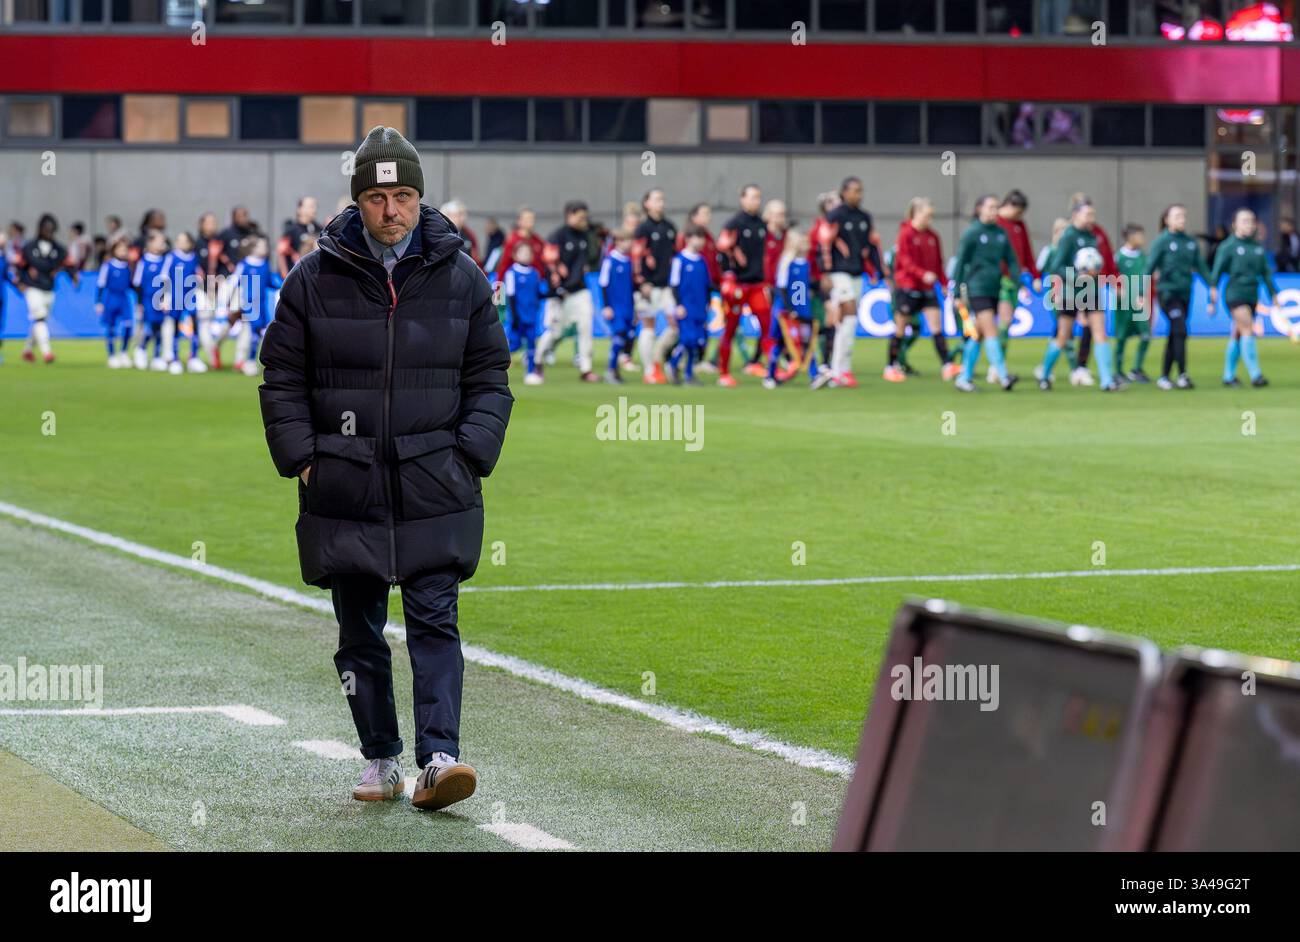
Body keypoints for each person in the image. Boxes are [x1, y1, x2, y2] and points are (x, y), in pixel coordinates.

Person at [258, 126, 513, 810]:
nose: (391, 209)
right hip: (345, 484)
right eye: (377, 196)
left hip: (437, 480)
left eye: (402, 195)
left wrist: (471, 454)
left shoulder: (460, 276)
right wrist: (304, 458)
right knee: (358, 634)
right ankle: (380, 759)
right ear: (359, 202)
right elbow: (281, 376)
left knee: (436, 622)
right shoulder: (312, 280)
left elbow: (491, 373)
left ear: (418, 197)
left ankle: (440, 759)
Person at [1038, 200, 1118, 392]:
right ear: (1075, 215)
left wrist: (1094, 273)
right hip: (1071, 293)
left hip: (1091, 291)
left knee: (1100, 333)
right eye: (1088, 214)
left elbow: (1096, 264)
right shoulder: (1069, 236)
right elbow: (1056, 266)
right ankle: (1045, 375)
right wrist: (1076, 276)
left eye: (1093, 214)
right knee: (1063, 336)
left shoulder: (1093, 237)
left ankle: (1107, 380)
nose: (1092, 218)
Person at [951, 195, 1019, 392]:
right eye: (989, 207)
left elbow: (1012, 260)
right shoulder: (972, 232)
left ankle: (964, 378)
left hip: (994, 287)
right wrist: (956, 291)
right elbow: (961, 262)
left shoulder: (1000, 233)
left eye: (996, 207)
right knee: (991, 330)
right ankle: (1003, 376)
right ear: (979, 208)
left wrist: (1015, 279)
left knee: (978, 334)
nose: (993, 211)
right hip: (976, 288)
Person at [820, 176, 881, 387]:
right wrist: (825, 272)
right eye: (854, 190)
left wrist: (878, 271)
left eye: (860, 190)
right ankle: (837, 370)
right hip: (838, 273)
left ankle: (842, 370)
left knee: (847, 322)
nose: (858, 195)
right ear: (844, 192)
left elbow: (872, 246)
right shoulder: (835, 216)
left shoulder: (865, 217)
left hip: (856, 274)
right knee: (849, 315)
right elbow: (824, 243)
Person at [890, 197, 958, 382]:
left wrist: (943, 284)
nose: (930, 220)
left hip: (927, 289)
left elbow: (938, 263)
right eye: (927, 216)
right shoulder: (905, 234)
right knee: (900, 329)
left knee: (936, 327)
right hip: (907, 287)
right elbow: (904, 261)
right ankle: (891, 366)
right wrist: (922, 274)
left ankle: (947, 365)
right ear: (916, 213)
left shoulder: (932, 236)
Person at [1144, 204, 1212, 390]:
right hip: (1167, 293)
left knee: (1176, 333)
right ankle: (1182, 374)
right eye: (1177, 216)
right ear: (1167, 220)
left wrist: (1212, 285)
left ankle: (1165, 377)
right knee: (1180, 329)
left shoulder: (1190, 242)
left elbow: (1201, 266)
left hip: (1185, 293)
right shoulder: (1162, 241)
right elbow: (1148, 268)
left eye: (1183, 215)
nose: (1181, 219)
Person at [1212, 207, 1277, 388]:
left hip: (1251, 294)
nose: (1249, 224)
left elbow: (1265, 273)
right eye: (1245, 221)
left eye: (1251, 220)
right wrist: (1212, 295)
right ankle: (1256, 375)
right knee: (1247, 328)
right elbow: (1216, 272)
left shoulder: (1257, 247)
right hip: (1234, 293)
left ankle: (1228, 376)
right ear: (1235, 225)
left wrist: (1274, 294)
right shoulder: (1228, 246)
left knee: (1238, 333)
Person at [716, 183, 772, 387]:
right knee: (730, 329)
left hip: (757, 284)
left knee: (767, 326)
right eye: (752, 197)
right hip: (738, 285)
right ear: (742, 199)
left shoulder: (762, 225)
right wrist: (728, 276)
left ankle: (771, 370)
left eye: (758, 197)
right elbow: (721, 251)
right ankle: (723, 372)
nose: (755, 201)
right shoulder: (734, 224)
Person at [537, 200, 598, 382]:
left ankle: (586, 369)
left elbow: (592, 258)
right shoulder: (558, 236)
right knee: (556, 332)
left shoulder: (585, 236)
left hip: (580, 290)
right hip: (561, 293)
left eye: (585, 217)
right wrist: (557, 288)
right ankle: (537, 360)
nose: (583, 221)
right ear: (569, 215)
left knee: (586, 326)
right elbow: (549, 264)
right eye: (580, 217)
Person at [992, 190, 1040, 381]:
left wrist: (1035, 275)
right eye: (1018, 211)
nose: (1019, 216)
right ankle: (996, 368)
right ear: (1009, 206)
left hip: (1014, 279)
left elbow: (1027, 252)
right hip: (996, 280)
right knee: (1002, 321)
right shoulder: (994, 224)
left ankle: (997, 366)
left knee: (1005, 323)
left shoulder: (1020, 226)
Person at [632, 188, 678, 384]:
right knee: (648, 326)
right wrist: (641, 281)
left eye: (663, 199)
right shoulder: (642, 229)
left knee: (676, 326)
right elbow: (636, 256)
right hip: (648, 287)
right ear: (647, 203)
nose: (661, 202)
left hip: (667, 286)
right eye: (657, 199)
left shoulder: (670, 227)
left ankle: (659, 357)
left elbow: (675, 256)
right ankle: (650, 369)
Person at [18, 213, 75, 365]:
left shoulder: (59, 250)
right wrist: (21, 282)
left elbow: (69, 265)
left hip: (49, 288)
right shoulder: (29, 247)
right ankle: (47, 353)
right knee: (40, 317)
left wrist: (73, 277)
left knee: (39, 321)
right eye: (46, 229)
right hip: (33, 287)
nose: (48, 232)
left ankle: (27, 350)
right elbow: (20, 267)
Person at [666, 225, 712, 386]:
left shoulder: (702, 261)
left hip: (700, 308)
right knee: (687, 340)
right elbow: (674, 284)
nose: (700, 241)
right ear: (688, 238)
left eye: (702, 238)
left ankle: (688, 374)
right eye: (697, 237)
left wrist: (708, 304)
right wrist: (678, 305)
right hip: (685, 308)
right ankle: (673, 364)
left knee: (697, 342)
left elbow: (707, 286)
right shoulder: (680, 260)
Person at [1111, 223, 1151, 383]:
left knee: (1146, 335)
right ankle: (1118, 371)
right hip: (1123, 304)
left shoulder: (1144, 257)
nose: (1142, 239)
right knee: (1121, 338)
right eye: (1139, 235)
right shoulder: (1118, 257)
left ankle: (1136, 369)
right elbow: (1112, 277)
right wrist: (1118, 291)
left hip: (1140, 303)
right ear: (1130, 237)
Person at [504, 241, 547, 385]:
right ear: (515, 255)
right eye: (523, 253)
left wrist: (554, 293)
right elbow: (510, 296)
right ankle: (497, 364)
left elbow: (538, 294)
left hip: (532, 316)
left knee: (531, 345)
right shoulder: (511, 273)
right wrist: (515, 316)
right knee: (514, 344)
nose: (526, 256)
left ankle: (530, 373)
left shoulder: (535, 273)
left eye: (529, 253)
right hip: (518, 316)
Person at [599, 228, 637, 385]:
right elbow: (603, 284)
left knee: (628, 336)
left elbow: (630, 287)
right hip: (616, 308)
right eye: (626, 241)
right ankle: (611, 369)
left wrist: (634, 309)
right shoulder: (610, 261)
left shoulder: (628, 261)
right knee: (618, 337)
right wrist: (607, 306)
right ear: (618, 242)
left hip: (628, 307)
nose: (629, 244)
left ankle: (616, 370)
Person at [165, 231, 206, 373]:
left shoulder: (194, 258)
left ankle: (193, 358)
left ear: (190, 243)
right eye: (178, 240)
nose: (180, 243)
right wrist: (164, 297)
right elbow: (164, 277)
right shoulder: (171, 257)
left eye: (184, 240)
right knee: (175, 328)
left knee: (194, 327)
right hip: (176, 297)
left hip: (191, 297)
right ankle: (175, 359)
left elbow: (199, 276)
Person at [131, 229, 171, 371]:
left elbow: (166, 282)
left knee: (158, 328)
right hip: (147, 300)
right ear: (150, 243)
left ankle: (156, 356)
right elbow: (137, 284)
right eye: (159, 241)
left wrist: (165, 299)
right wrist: (140, 303)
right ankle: (141, 349)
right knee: (148, 327)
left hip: (159, 300)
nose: (162, 244)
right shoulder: (144, 262)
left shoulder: (165, 262)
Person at [95, 238, 134, 368]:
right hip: (111, 298)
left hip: (124, 299)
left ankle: (123, 352)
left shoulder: (128, 267)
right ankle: (112, 355)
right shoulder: (108, 266)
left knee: (128, 325)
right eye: (120, 249)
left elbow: (132, 284)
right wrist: (99, 302)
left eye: (125, 249)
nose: (123, 252)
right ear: (114, 251)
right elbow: (101, 284)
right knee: (111, 327)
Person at [277, 196, 321, 279]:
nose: (314, 209)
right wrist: (286, 278)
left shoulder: (320, 229)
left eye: (316, 206)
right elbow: (281, 255)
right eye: (311, 206)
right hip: (296, 277)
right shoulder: (291, 230)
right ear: (300, 209)